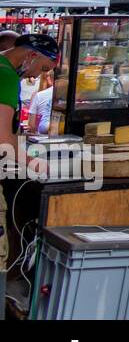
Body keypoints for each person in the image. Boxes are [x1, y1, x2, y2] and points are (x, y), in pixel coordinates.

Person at [1, 34, 57, 270]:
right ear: (31, 55)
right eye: (42, 67)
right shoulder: (5, 75)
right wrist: (37, 165)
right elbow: (3, 141)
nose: (36, 76)